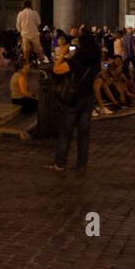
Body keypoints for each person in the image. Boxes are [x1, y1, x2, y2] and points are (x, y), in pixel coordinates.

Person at [49, 30, 99, 172]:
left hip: (74, 99)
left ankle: (60, 163)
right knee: (84, 134)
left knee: (66, 132)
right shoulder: (95, 62)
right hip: (88, 98)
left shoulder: (77, 61)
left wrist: (63, 53)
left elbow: (56, 70)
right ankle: (81, 164)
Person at [16, 0, 42, 67]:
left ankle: (26, 64)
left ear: (23, 6)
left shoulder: (20, 13)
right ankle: (41, 63)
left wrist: (20, 31)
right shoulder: (34, 13)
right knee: (38, 49)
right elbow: (39, 23)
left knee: (26, 51)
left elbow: (18, 25)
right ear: (30, 5)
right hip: (34, 34)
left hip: (25, 34)